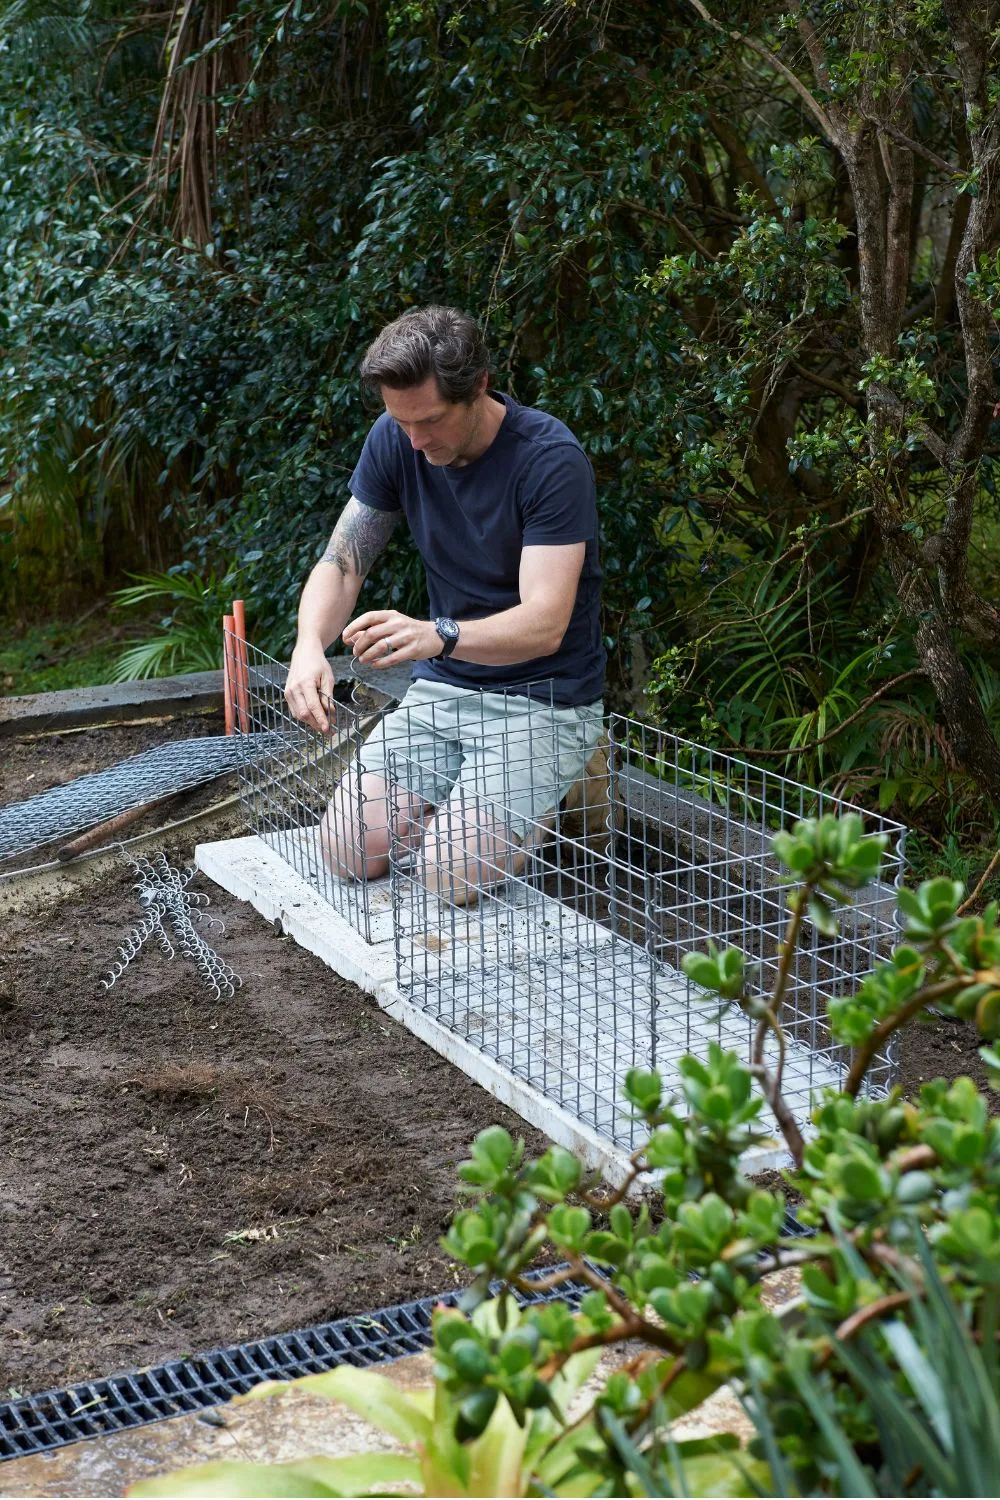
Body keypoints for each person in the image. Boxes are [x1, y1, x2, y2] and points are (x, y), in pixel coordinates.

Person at [284, 304, 605, 902]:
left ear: (478, 386)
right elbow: (342, 563)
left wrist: (441, 635)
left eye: (428, 420)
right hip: (445, 691)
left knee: (449, 878)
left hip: (543, 700)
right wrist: (308, 648)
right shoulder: (396, 438)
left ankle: (485, 830)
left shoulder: (549, 460)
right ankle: (460, 826)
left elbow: (545, 623)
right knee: (346, 852)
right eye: (400, 422)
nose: (414, 439)